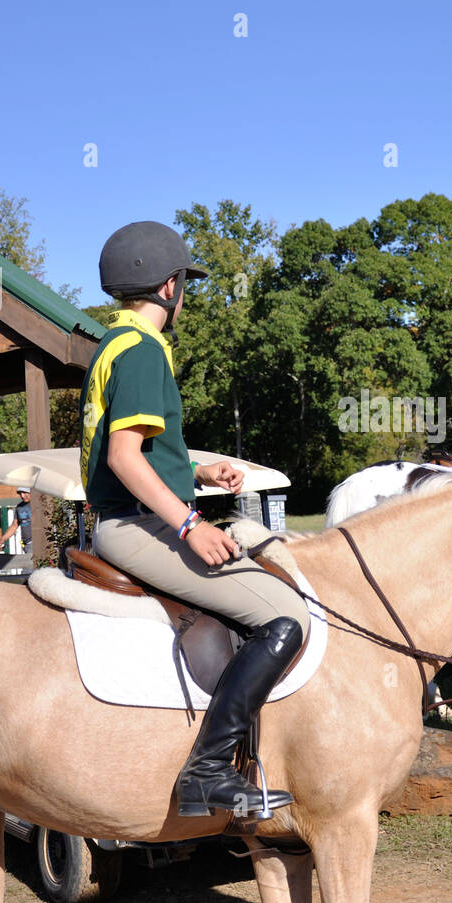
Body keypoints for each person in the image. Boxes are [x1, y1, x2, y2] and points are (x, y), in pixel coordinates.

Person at [79, 220, 310, 818]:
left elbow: (140, 451)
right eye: (184, 283)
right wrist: (190, 523)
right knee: (286, 615)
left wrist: (199, 474)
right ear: (169, 286)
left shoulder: (115, 342)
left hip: (130, 517)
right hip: (136, 527)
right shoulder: (143, 351)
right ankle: (206, 771)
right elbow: (122, 458)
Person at [0, 489, 33, 555]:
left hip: (38, 543)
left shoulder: (39, 504)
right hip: (27, 544)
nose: (22, 496)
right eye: (20, 493)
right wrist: (3, 539)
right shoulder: (19, 507)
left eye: (25, 492)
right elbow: (14, 525)